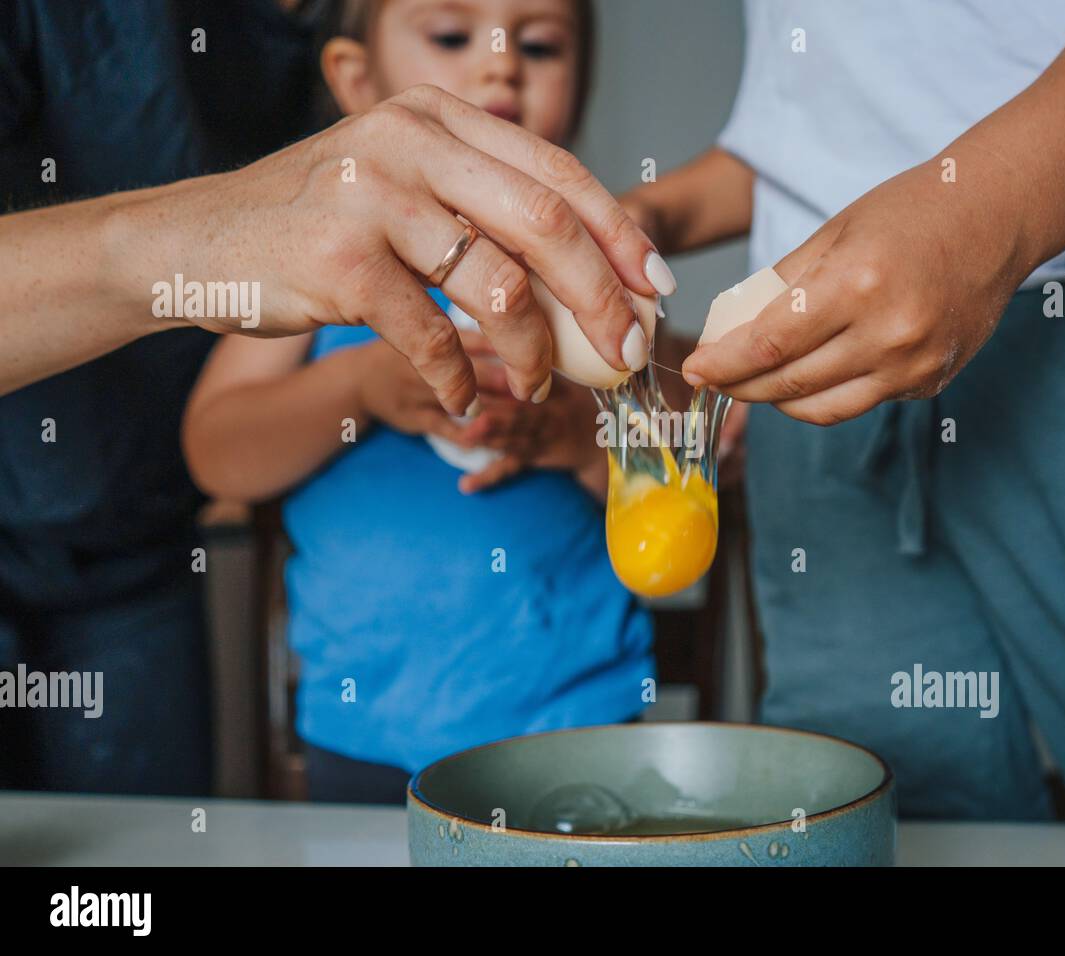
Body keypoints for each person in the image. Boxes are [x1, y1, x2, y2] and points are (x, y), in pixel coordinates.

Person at [627, 0, 1065, 824]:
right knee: (887, 819)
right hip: (822, 386)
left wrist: (984, 214)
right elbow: (815, 123)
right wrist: (659, 213)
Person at [0, 0, 668, 796]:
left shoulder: (589, 286)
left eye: (540, 44)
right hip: (366, 732)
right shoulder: (316, 270)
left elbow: (681, 476)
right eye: (452, 36)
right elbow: (217, 453)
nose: (500, 65)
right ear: (355, 80)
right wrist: (357, 390)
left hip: (578, 720)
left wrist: (569, 438)